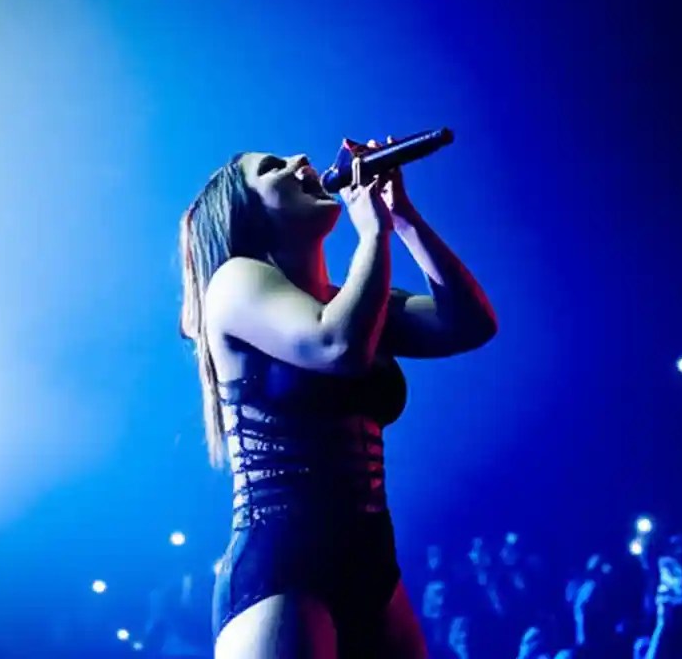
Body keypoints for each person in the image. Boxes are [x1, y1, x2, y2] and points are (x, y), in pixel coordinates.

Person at [179, 137, 497, 657]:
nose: (300, 161)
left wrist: (404, 218)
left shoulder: (351, 300)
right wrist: (372, 232)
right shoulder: (234, 282)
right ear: (247, 211)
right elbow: (337, 345)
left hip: (373, 562)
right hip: (283, 571)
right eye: (272, 168)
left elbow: (470, 324)